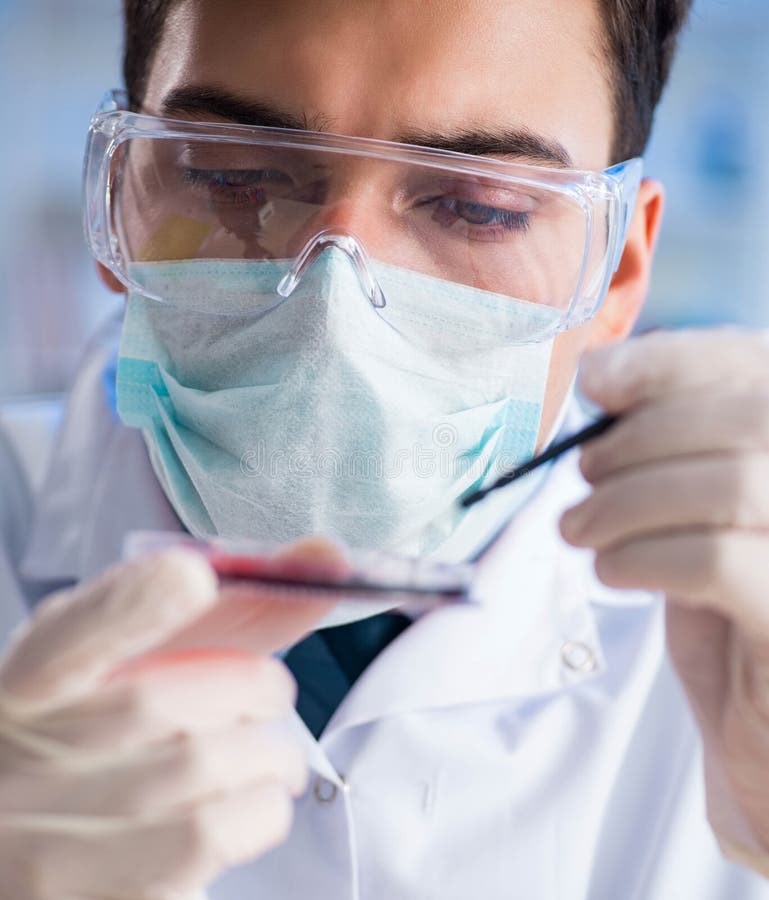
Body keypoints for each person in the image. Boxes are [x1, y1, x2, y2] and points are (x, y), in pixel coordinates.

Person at [2, 0, 769, 897]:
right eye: (230, 173)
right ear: (123, 197)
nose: (331, 308)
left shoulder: (731, 629)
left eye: (478, 208)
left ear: (618, 271)